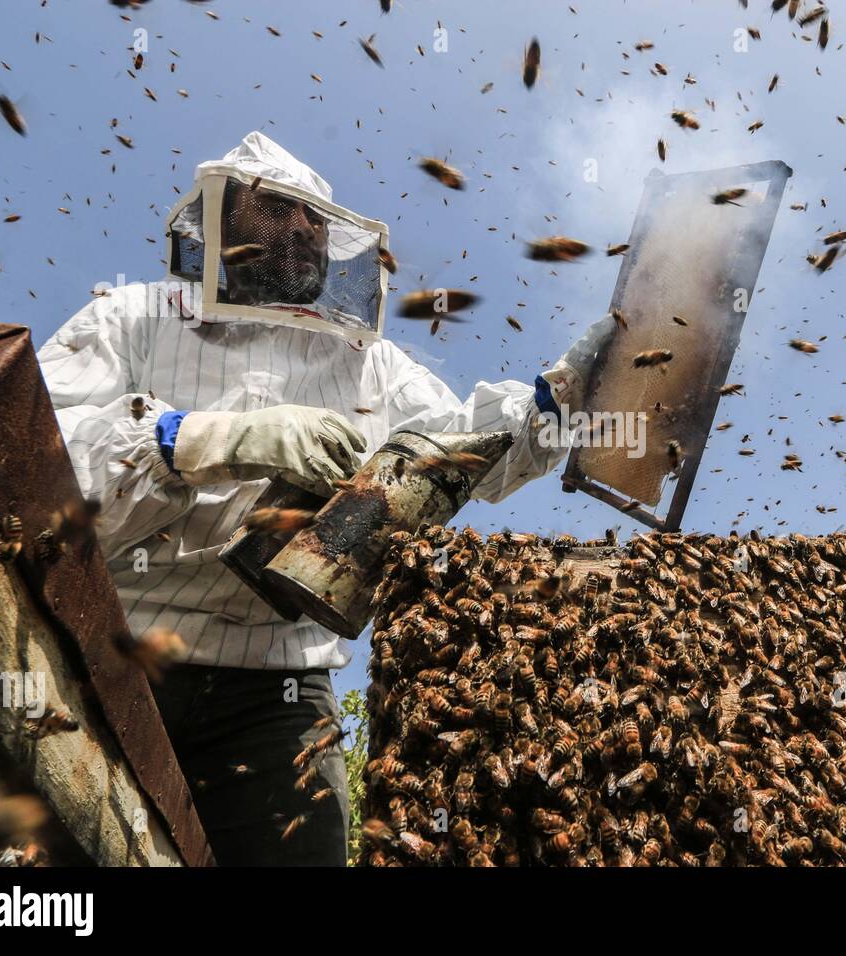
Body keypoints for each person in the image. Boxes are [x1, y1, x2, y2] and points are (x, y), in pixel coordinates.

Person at [37, 132, 613, 866]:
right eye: (279, 208)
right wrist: (205, 438)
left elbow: (470, 449)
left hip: (276, 687)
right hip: (113, 645)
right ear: (222, 219)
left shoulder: (364, 360)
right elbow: (41, 459)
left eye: (317, 218)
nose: (306, 228)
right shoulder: (135, 316)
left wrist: (561, 396)